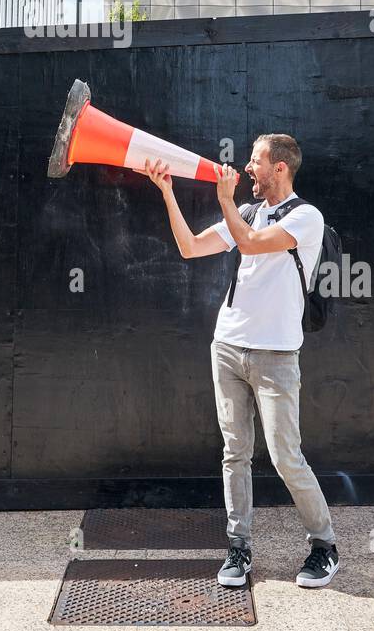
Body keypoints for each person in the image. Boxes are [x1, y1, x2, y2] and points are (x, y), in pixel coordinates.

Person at [143, 134, 339, 589]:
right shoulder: (247, 212)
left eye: (256, 161)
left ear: (281, 169)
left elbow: (249, 244)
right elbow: (190, 247)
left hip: (275, 353)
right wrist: (168, 192)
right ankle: (239, 547)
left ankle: (324, 546)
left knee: (286, 456)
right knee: (235, 453)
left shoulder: (307, 218)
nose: (247, 168)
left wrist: (225, 200)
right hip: (227, 346)